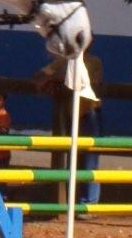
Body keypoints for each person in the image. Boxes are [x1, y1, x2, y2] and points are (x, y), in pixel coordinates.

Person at [35, 49, 105, 207]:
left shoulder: (92, 61)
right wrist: (54, 80)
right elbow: (38, 78)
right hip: (71, 113)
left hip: (88, 112)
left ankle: (88, 202)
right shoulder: (63, 61)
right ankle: (78, 200)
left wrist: (57, 80)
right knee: (74, 157)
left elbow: (89, 86)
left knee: (89, 159)